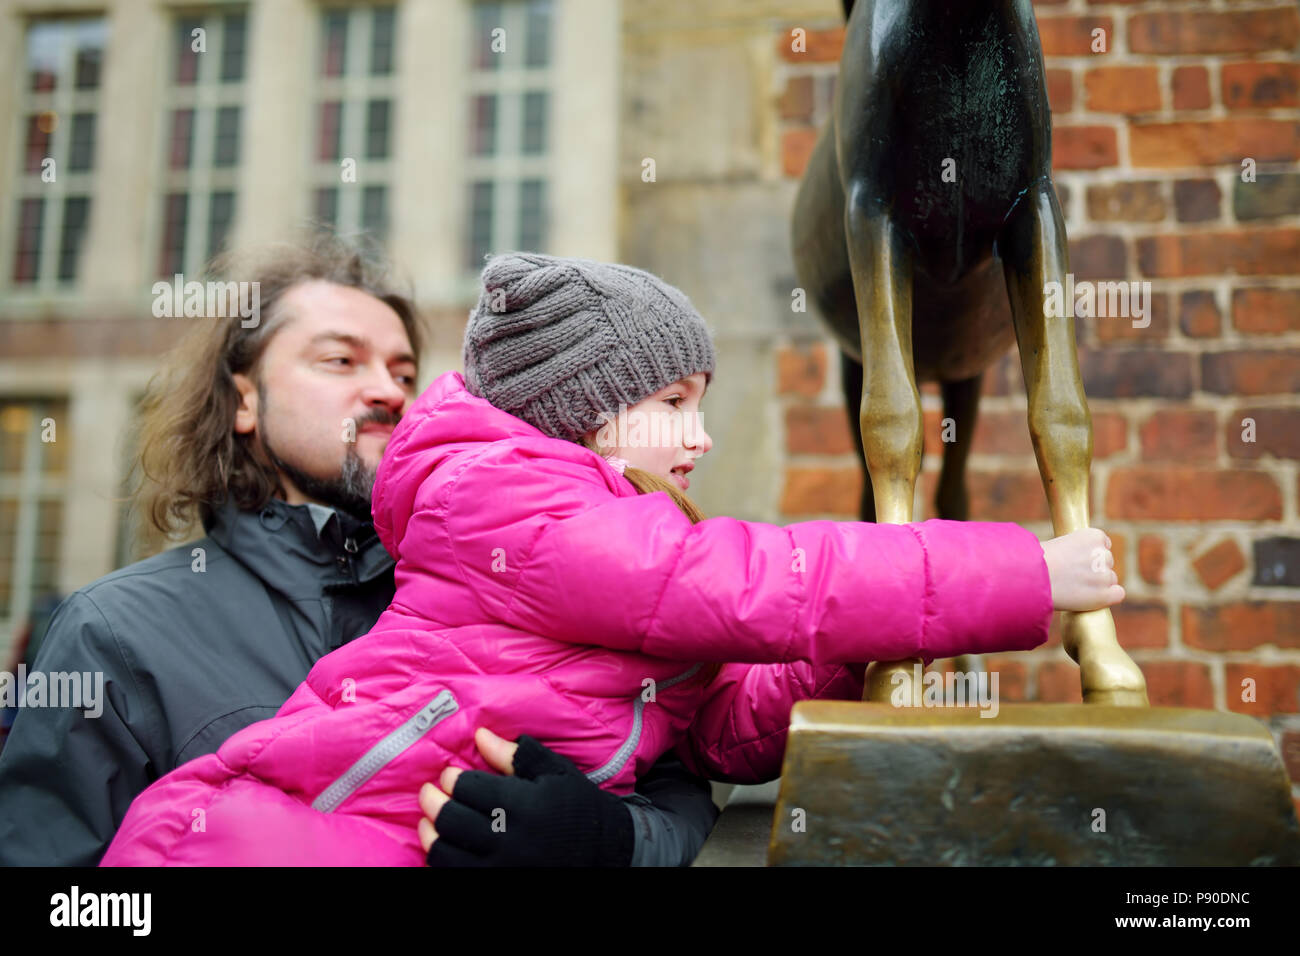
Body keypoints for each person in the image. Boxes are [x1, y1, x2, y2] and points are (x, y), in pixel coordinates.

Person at [99, 252, 1123, 867]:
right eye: (673, 402)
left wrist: (844, 656)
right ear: (577, 415)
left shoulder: (598, 534)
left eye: (402, 366)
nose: (701, 435)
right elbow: (745, 583)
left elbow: (716, 728)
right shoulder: (521, 510)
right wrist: (1023, 574)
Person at [0, 239, 719, 867]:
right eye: (341, 360)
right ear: (242, 401)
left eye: (407, 375)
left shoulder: (517, 579)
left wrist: (613, 840)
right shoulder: (114, 632)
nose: (387, 391)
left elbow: (685, 792)